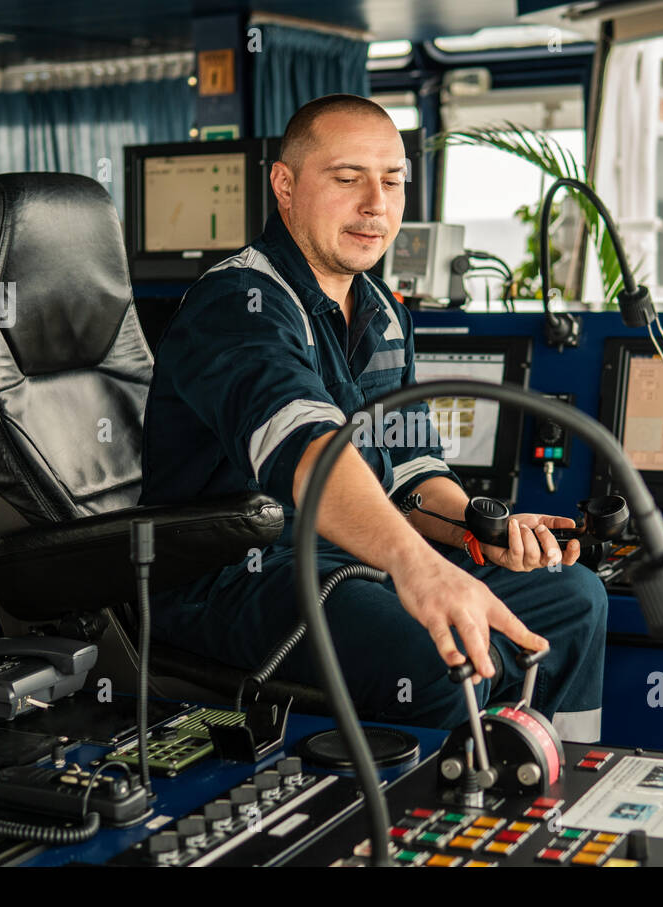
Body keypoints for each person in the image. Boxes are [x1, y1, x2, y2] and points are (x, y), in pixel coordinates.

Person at [141, 93, 607, 740]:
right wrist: (418, 566)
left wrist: (475, 531)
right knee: (438, 655)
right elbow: (309, 453)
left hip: (351, 560)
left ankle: (557, 786)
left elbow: (412, 473)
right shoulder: (238, 303)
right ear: (284, 184)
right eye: (347, 178)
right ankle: (444, 824)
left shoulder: (383, 311)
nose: (376, 204)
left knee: (574, 597)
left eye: (392, 180)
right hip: (235, 576)